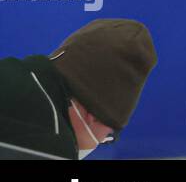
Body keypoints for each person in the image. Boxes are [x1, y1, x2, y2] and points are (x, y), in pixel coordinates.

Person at [0, 19, 156, 160]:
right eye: (110, 136)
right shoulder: (51, 143)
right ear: (94, 115)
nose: (103, 142)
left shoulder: (11, 72)